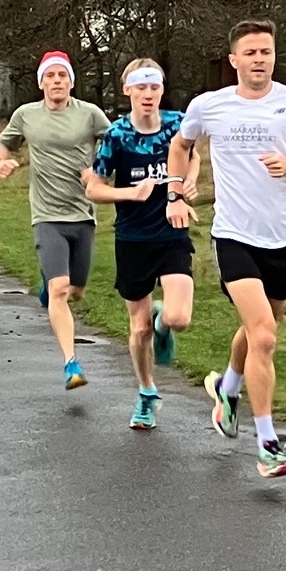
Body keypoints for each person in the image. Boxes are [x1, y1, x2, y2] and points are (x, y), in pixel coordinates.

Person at [167, 18, 286, 479]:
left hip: (282, 237)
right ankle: (267, 444)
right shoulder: (210, 106)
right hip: (233, 235)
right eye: (250, 53)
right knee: (265, 335)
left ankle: (227, 388)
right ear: (233, 61)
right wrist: (174, 191)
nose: (259, 60)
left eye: (265, 52)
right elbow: (181, 143)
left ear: (273, 56)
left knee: (258, 328)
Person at [85, 59, 199, 428]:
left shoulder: (177, 125)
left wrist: (180, 188)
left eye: (154, 87)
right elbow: (94, 189)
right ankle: (146, 392)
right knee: (138, 329)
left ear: (162, 90)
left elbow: (192, 158)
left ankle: (162, 322)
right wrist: (132, 193)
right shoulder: (117, 135)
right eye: (141, 87)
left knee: (179, 318)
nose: (148, 94)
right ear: (127, 90)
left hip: (171, 231)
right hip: (132, 237)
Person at [0, 51, 108, 382]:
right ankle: (71, 363)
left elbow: (114, 142)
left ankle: (49, 284)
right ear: (41, 82)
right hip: (46, 214)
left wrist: (98, 171)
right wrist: (2, 160)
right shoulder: (27, 114)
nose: (56, 81)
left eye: (62, 76)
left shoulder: (89, 114)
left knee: (75, 291)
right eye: (50, 76)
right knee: (60, 290)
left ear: (71, 81)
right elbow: (5, 143)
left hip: (83, 214)